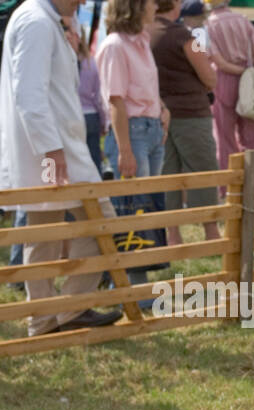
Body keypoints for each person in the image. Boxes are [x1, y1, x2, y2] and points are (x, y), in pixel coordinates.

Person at [0, 0, 122, 335]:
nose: (83, 2)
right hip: (52, 152)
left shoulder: (45, 20)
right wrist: (52, 151)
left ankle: (52, 316)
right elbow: (28, 95)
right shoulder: (36, 22)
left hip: (56, 149)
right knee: (98, 224)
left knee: (44, 237)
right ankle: (61, 312)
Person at [97, 0, 170, 288]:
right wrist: (125, 149)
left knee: (146, 206)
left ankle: (134, 281)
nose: (155, 5)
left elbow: (141, 90)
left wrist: (162, 109)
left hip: (148, 128)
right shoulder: (115, 45)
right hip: (133, 132)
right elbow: (115, 99)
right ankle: (126, 283)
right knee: (132, 207)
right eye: (149, 1)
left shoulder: (140, 41)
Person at [152, 0, 220, 243]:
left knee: (167, 173)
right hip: (191, 112)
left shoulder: (145, 34)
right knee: (203, 170)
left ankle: (172, 235)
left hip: (158, 113)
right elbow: (209, 78)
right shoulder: (183, 35)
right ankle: (211, 232)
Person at [205, 0, 254, 178]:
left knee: (225, 140)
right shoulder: (244, 20)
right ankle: (253, 188)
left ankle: (228, 188)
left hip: (222, 83)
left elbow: (217, 62)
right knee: (251, 140)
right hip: (249, 81)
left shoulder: (206, 27)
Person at [73, 17, 106, 173]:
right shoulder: (91, 63)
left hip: (72, 115)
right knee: (94, 162)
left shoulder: (66, 61)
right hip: (91, 115)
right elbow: (99, 97)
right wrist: (104, 121)